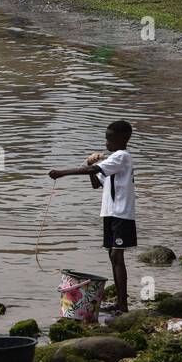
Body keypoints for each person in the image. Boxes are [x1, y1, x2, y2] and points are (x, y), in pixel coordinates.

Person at [48, 120, 137, 314]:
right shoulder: (112, 162)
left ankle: (123, 304)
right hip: (110, 213)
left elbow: (94, 170)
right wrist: (90, 163)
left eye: (110, 139)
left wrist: (62, 173)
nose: (106, 143)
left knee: (116, 255)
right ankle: (120, 303)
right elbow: (96, 182)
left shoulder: (122, 156)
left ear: (123, 138)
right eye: (106, 139)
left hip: (122, 214)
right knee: (112, 256)